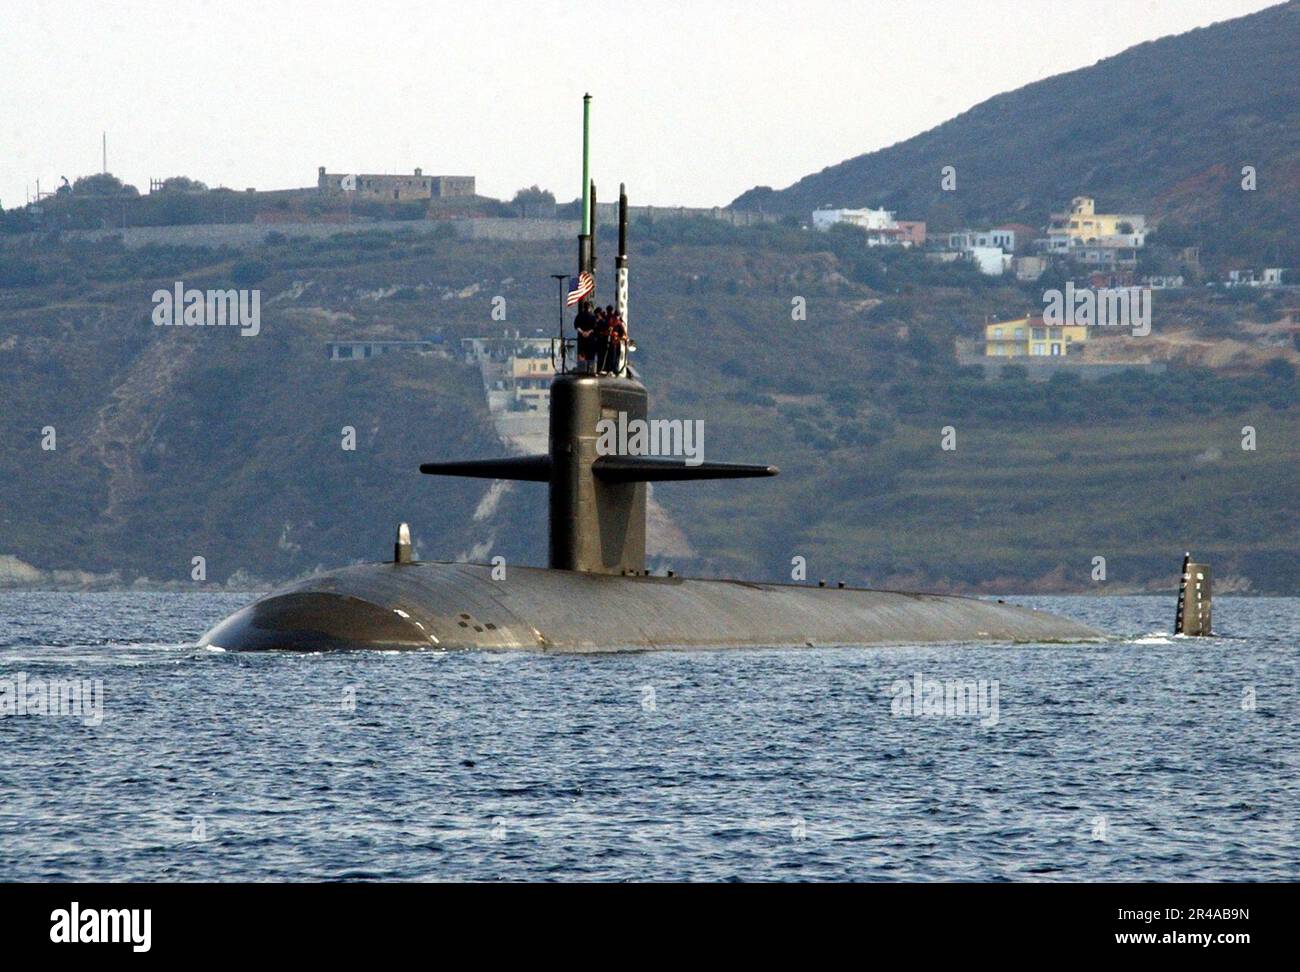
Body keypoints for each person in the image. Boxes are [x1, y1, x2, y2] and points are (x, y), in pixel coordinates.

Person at [574, 303, 596, 372]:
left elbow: (576, 326)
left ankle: (582, 369)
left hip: (581, 337)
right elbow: (594, 328)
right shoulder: (592, 316)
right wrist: (588, 332)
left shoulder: (579, 316)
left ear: (584, 307)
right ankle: (590, 369)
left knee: (581, 352)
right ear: (589, 307)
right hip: (590, 338)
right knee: (590, 353)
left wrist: (583, 332)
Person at [605, 308, 627, 374]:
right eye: (615, 316)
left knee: (616, 356)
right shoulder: (609, 323)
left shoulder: (619, 324)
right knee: (610, 356)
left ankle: (614, 369)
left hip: (616, 343)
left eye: (617, 316)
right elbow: (605, 332)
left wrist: (618, 337)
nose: (616, 318)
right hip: (609, 342)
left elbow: (624, 336)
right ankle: (609, 368)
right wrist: (610, 333)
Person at [593, 306, 612, 374]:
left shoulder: (602, 322)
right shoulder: (603, 321)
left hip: (601, 341)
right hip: (600, 341)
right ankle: (599, 369)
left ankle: (599, 369)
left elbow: (608, 330)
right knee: (600, 356)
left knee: (600, 356)